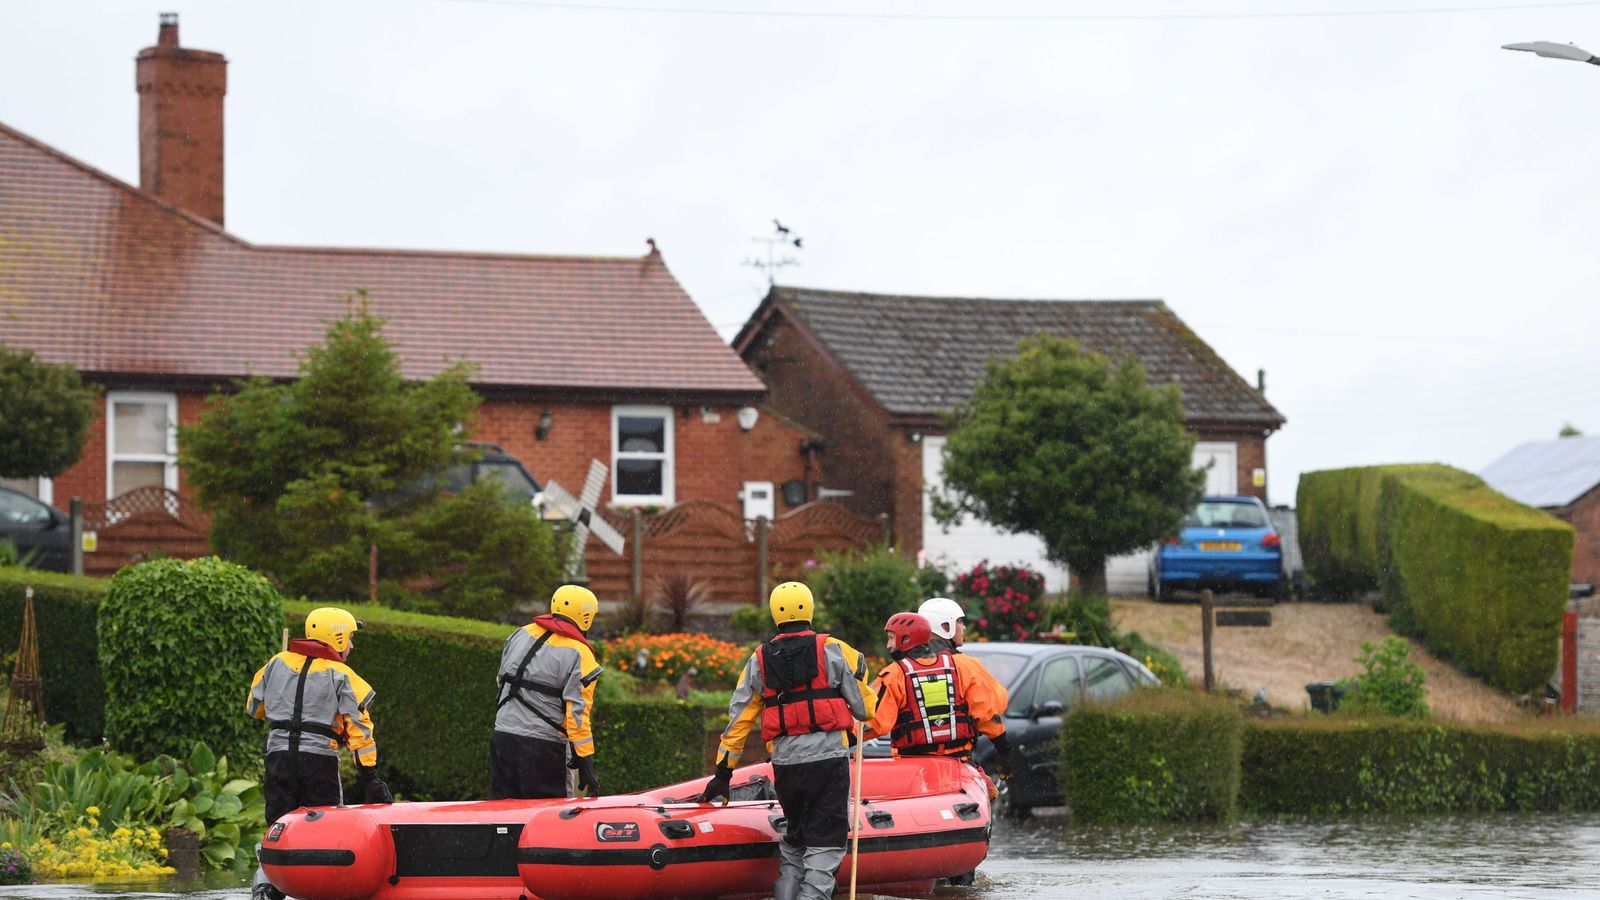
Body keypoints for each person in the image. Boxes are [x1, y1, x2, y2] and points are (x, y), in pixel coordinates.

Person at [698, 582, 875, 900]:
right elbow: (865, 708)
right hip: (828, 761)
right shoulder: (833, 648)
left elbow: (738, 721)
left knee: (796, 838)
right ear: (810, 609)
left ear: (774, 614)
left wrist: (723, 773)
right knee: (827, 841)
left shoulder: (758, 660)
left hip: (786, 765)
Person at [247, 607, 390, 900]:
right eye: (349, 638)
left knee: (278, 825)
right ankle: (326, 888)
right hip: (318, 760)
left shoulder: (275, 663)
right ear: (335, 638)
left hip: (278, 757)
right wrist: (370, 775)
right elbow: (360, 729)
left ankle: (266, 885)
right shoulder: (343, 675)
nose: (351, 645)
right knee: (325, 827)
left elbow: (254, 708)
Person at [863, 612, 1015, 780]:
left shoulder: (894, 674)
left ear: (906, 639)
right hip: (960, 765)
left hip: (914, 770)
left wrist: (841, 742)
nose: (888, 645)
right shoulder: (962, 666)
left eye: (891, 638)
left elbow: (873, 722)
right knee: (987, 791)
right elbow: (987, 714)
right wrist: (1004, 750)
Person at [491, 584, 603, 800]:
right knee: (551, 819)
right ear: (585, 616)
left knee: (503, 816)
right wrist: (584, 758)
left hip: (503, 737)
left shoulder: (519, 634)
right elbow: (577, 713)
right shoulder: (580, 654)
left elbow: (501, 680)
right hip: (544, 749)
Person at [919, 596, 1008, 710]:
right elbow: (997, 703)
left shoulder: (904, 667)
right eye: (959, 622)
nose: (964, 627)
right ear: (945, 627)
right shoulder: (965, 665)